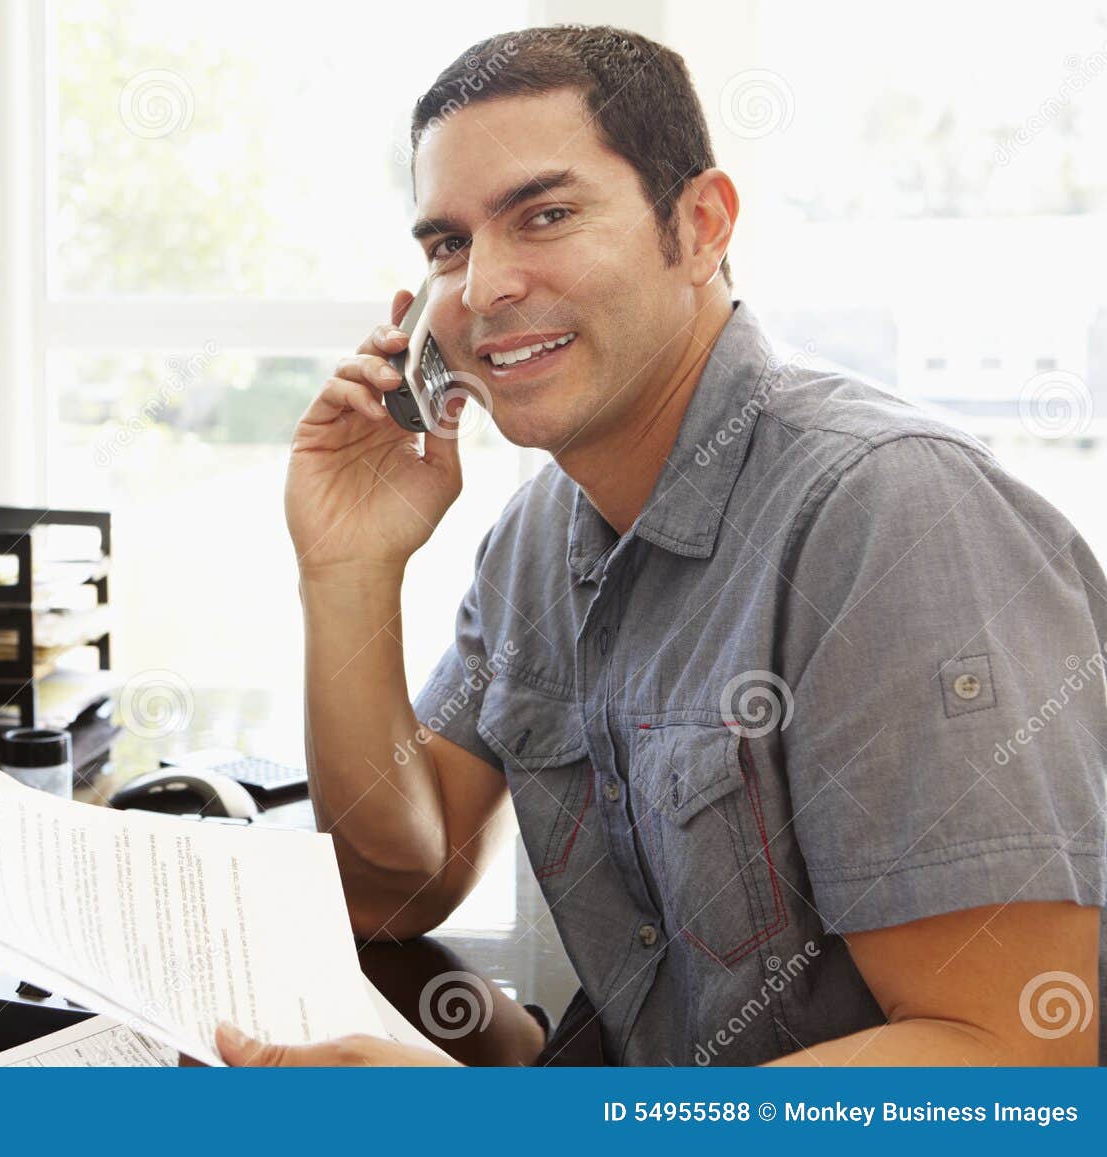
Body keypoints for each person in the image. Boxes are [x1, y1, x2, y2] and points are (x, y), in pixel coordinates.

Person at [217, 24, 1105, 1066]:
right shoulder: (538, 540)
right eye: (448, 245)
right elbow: (391, 885)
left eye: (542, 215)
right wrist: (348, 569)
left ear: (699, 226)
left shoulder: (894, 514)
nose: (484, 286)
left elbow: (1012, 1063)